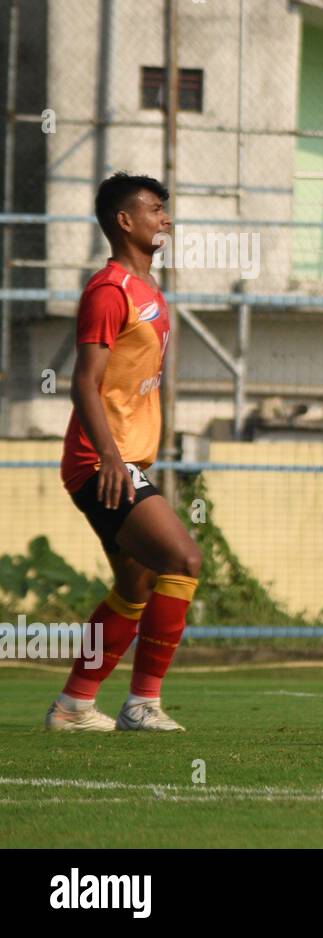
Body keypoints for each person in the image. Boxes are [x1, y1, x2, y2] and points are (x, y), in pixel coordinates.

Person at [45, 172, 202, 733]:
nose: (166, 219)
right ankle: (143, 703)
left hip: (121, 462)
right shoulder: (110, 290)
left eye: (166, 210)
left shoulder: (149, 293)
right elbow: (84, 382)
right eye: (155, 209)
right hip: (100, 463)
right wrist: (113, 458)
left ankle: (73, 707)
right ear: (124, 221)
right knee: (183, 560)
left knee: (134, 587)